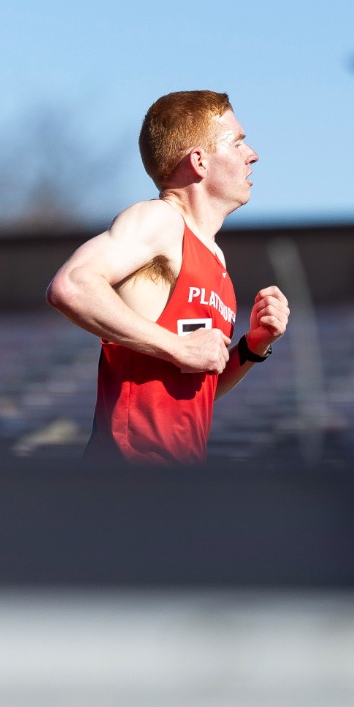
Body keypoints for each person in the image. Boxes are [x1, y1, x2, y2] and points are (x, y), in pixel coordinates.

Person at [47, 90, 290, 464]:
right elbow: (71, 285)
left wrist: (252, 346)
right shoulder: (159, 220)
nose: (252, 154)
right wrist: (178, 347)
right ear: (199, 161)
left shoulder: (213, 256)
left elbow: (196, 384)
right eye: (238, 142)